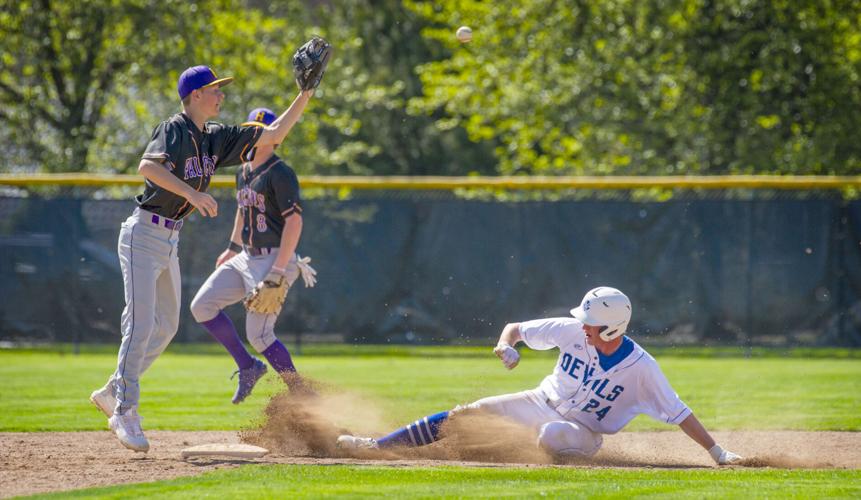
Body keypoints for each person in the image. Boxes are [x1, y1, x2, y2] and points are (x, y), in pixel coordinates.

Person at [89, 64, 318, 453]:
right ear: (195, 95)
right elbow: (147, 166)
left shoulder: (214, 138)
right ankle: (125, 409)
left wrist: (306, 93)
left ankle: (114, 389)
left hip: (169, 238)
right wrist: (193, 195)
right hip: (143, 233)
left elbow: (275, 133)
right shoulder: (173, 128)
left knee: (166, 327)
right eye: (215, 89)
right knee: (141, 323)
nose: (221, 95)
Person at [337, 286, 744, 466]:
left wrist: (717, 453)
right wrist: (505, 345)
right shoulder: (571, 331)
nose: (582, 325)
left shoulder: (641, 368)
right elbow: (515, 327)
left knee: (551, 436)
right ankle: (377, 445)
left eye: (591, 322)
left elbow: (678, 412)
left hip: (581, 430)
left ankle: (536, 456)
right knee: (467, 414)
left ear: (613, 328)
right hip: (539, 400)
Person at [189, 106, 316, 405]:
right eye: (252, 129)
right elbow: (242, 212)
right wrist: (231, 248)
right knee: (202, 307)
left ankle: (301, 393)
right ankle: (248, 367)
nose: (256, 135)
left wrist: (279, 270)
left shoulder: (280, 172)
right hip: (245, 256)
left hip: (274, 258)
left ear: (275, 137)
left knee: (259, 335)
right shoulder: (243, 171)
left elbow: (294, 222)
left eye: (262, 131)